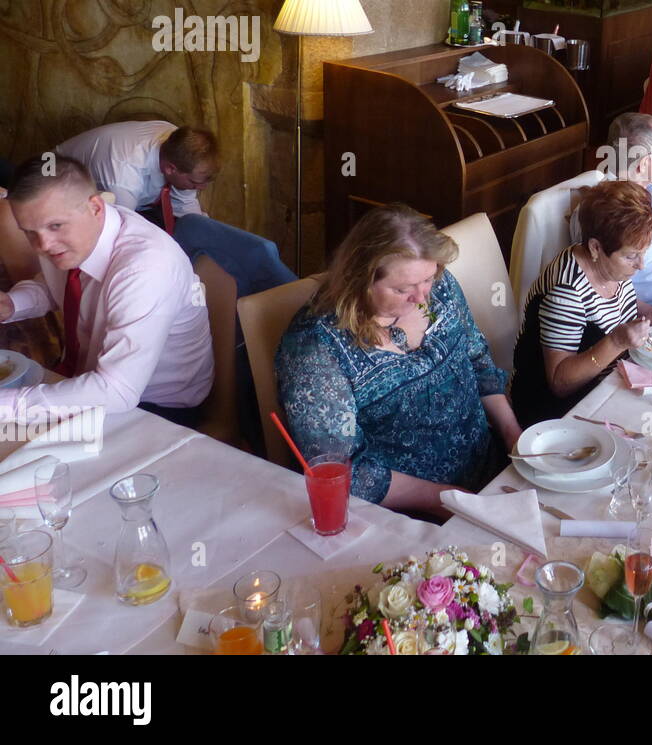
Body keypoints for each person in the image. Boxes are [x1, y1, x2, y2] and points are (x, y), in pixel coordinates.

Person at [277, 204, 522, 513]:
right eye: (402, 288)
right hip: (411, 516)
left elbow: (478, 361)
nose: (421, 297)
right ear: (360, 280)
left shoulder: (439, 286)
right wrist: (450, 499)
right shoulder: (316, 347)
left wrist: (512, 434)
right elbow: (345, 471)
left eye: (427, 280)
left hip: (492, 474)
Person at [0, 155, 212, 421]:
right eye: (29, 232)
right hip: (92, 380)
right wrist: (12, 304)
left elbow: (117, 391)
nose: (43, 245)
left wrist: (7, 406)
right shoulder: (75, 235)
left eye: (56, 226)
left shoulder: (145, 268)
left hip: (156, 408)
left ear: (96, 207)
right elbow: (58, 287)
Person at [54, 120, 295, 298]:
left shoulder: (178, 144)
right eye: (194, 183)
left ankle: (293, 294)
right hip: (61, 182)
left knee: (252, 246)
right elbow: (119, 235)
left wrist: (210, 237)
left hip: (138, 201)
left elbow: (188, 208)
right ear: (170, 169)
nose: (199, 189)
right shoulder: (124, 175)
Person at [512, 181, 652, 426]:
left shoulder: (609, 267)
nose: (641, 265)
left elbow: (609, 301)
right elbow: (560, 383)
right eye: (632, 256)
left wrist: (646, 310)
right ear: (596, 247)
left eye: (643, 254)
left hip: (607, 387)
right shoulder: (566, 291)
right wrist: (617, 342)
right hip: (560, 415)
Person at [577, 113, 652, 310]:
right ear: (644, 165)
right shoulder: (602, 211)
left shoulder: (648, 191)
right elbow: (595, 287)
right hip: (646, 319)